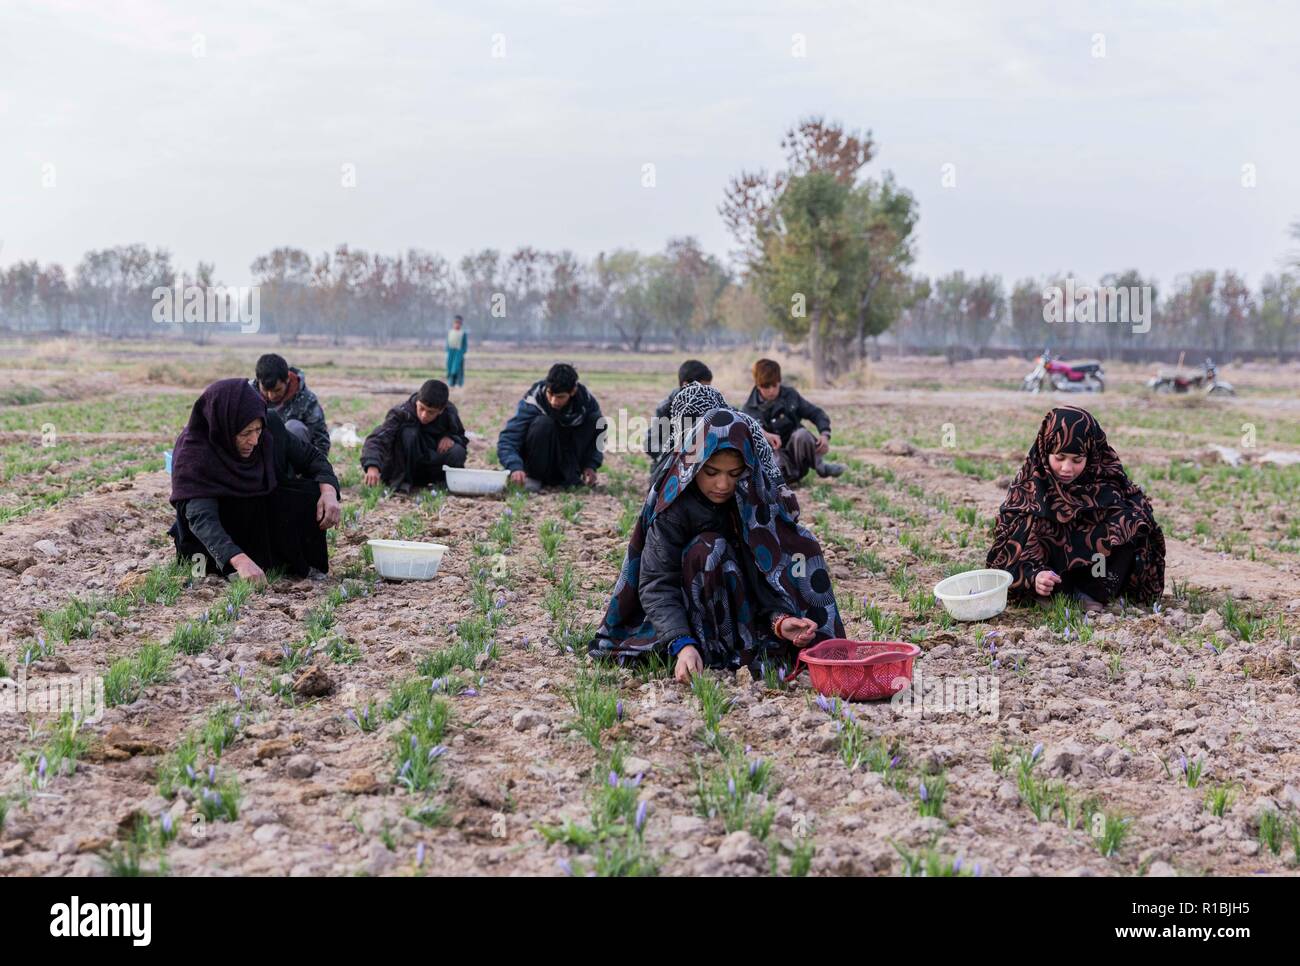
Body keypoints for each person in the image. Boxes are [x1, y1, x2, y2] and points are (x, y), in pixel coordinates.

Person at [590, 392, 844, 682]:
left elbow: (764, 572)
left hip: (743, 611)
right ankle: (704, 651)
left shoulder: (751, 501)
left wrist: (780, 620)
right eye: (711, 472)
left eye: (734, 473)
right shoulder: (674, 506)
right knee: (708, 548)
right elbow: (656, 582)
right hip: (683, 616)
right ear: (694, 463)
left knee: (802, 544)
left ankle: (804, 647)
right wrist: (681, 643)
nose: (723, 484)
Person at [986, 406, 1166, 612]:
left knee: (1133, 519)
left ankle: (1090, 593)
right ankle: (1052, 595)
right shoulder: (1031, 487)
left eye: (1077, 460)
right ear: (1045, 451)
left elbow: (1137, 512)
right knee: (1033, 521)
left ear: (1091, 455)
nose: (1067, 468)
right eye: (1059, 457)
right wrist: (1033, 575)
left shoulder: (1105, 478)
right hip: (1050, 576)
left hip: (1095, 574)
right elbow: (1006, 550)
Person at [168, 379, 341, 582]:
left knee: (311, 491)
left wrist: (329, 492)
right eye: (245, 433)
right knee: (209, 553)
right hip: (216, 535)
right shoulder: (194, 451)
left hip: (257, 521)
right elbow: (202, 518)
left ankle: (290, 564)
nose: (254, 441)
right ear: (224, 426)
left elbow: (313, 458)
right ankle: (237, 565)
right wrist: (238, 559)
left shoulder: (269, 428)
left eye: (258, 430)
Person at [497, 363, 603, 492]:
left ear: (573, 392)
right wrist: (515, 466)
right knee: (543, 423)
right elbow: (509, 438)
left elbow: (597, 440)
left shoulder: (587, 405)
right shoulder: (534, 401)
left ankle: (569, 479)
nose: (553, 401)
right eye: (550, 394)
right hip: (539, 462)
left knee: (596, 421)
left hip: (569, 462)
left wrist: (590, 465)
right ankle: (535, 478)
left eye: (560, 397)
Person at [741, 358, 843, 484]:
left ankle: (821, 467)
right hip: (774, 460)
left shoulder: (790, 395)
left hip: (797, 454)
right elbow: (743, 438)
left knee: (802, 434)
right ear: (757, 385)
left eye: (774, 385)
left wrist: (825, 434)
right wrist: (764, 435)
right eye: (766, 386)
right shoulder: (748, 409)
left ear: (779, 382)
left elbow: (816, 413)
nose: (771, 390)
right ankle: (777, 482)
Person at [360, 379, 467, 492]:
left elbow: (461, 436)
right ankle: (402, 483)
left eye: (430, 412)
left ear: (440, 411)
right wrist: (372, 465)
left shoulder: (449, 413)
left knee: (457, 450)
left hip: (429, 466)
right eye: (421, 408)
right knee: (408, 433)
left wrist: (450, 437)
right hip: (402, 468)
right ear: (417, 402)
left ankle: (445, 484)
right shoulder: (401, 413)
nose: (424, 415)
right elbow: (379, 438)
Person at [251, 354, 330, 457]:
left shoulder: (306, 400)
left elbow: (320, 440)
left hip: (292, 462)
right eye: (266, 391)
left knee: (294, 428)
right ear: (258, 381)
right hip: (257, 459)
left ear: (287, 379)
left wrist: (320, 470)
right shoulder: (248, 396)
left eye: (277, 390)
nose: (271, 396)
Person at [645, 359, 712, 467]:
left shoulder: (711, 407)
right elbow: (651, 443)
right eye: (702, 390)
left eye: (709, 389)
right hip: (671, 465)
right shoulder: (666, 409)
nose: (707, 394)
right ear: (685, 386)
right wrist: (676, 455)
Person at [445, 315, 468, 387]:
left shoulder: (463, 333)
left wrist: (462, 353)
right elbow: (447, 343)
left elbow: (465, 345)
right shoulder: (450, 332)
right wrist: (447, 351)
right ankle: (450, 383)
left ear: (461, 324)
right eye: (456, 323)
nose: (457, 324)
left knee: (457, 368)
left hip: (458, 353)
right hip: (451, 353)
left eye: (459, 323)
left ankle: (459, 383)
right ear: (453, 323)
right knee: (450, 368)